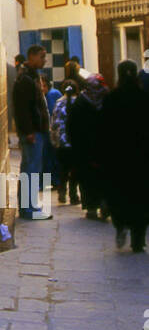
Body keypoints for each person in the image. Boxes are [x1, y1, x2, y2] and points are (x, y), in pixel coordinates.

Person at [97, 61, 149, 252]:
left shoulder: (112, 99)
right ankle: (138, 238)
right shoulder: (144, 98)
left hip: (117, 159)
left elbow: (103, 131)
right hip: (141, 158)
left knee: (119, 194)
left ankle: (120, 226)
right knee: (142, 197)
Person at [12, 44, 53, 220]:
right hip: (33, 132)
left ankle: (29, 206)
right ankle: (28, 209)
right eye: (42, 57)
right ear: (33, 56)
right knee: (31, 169)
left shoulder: (31, 76)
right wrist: (29, 131)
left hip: (36, 130)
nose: (44, 60)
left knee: (31, 169)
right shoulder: (26, 79)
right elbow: (22, 108)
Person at [67, 74, 109, 220]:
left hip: (83, 149)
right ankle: (105, 204)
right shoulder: (107, 100)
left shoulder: (80, 102)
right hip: (104, 148)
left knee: (87, 178)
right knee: (104, 177)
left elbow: (71, 127)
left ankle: (91, 207)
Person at [49, 83, 80, 206]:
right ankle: (73, 195)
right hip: (75, 141)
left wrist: (54, 139)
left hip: (62, 141)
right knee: (75, 169)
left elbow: (54, 123)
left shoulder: (58, 102)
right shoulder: (78, 102)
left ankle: (62, 192)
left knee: (63, 168)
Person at [41, 73, 62, 190]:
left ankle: (56, 181)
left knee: (53, 157)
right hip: (45, 131)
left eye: (44, 86)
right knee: (46, 158)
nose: (42, 88)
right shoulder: (41, 96)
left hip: (54, 131)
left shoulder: (53, 94)